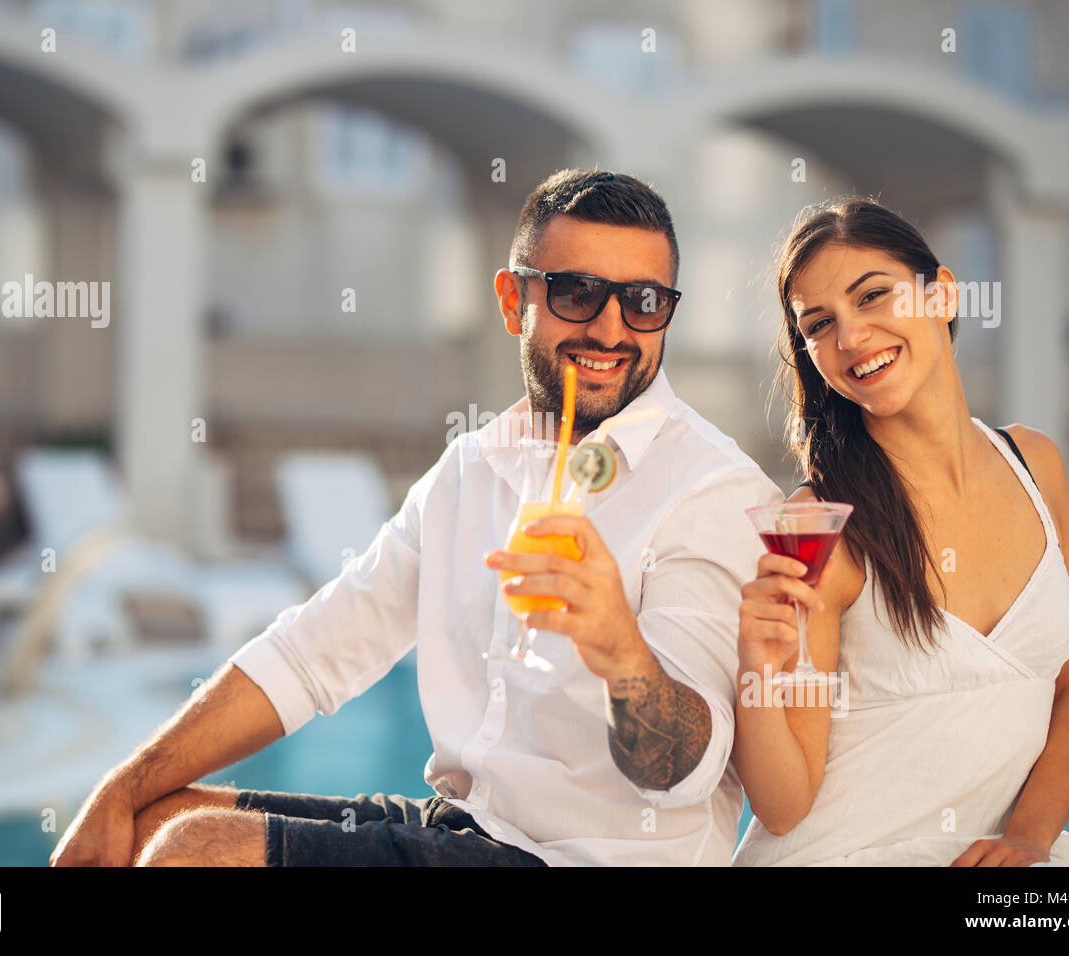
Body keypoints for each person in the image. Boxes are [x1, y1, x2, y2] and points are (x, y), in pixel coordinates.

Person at [51, 168, 782, 867]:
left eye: (645, 301)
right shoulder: (473, 470)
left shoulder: (709, 491)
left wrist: (620, 652)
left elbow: (683, 773)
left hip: (581, 860)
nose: (612, 329)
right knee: (151, 819)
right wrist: (120, 785)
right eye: (579, 292)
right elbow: (311, 655)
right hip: (470, 830)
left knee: (195, 854)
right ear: (511, 300)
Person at [732, 198, 1069, 866]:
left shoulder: (1036, 466)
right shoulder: (820, 523)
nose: (850, 337)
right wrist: (756, 669)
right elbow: (784, 806)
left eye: (872, 295)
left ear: (943, 293)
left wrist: (1028, 838)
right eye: (819, 325)